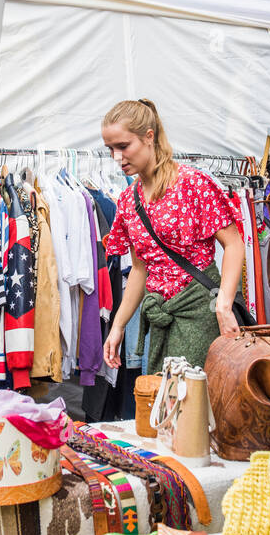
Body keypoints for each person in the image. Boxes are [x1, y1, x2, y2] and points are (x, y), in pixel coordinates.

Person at [101, 98, 245, 374]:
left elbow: (234, 244)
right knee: (162, 404)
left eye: (123, 146)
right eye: (110, 149)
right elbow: (140, 269)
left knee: (192, 407)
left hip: (200, 310)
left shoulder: (192, 184)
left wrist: (224, 304)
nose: (117, 157)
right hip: (161, 317)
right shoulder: (128, 201)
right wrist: (118, 326)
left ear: (149, 137)